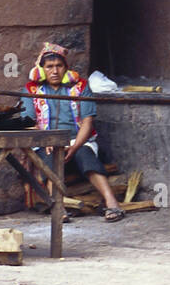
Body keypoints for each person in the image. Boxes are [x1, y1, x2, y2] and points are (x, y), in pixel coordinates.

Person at [20, 43, 125, 222]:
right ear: (42, 70)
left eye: (59, 66)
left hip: (78, 140)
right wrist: (46, 140)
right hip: (46, 142)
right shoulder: (31, 90)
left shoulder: (81, 87)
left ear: (66, 68)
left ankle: (112, 202)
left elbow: (87, 121)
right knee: (51, 162)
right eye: (49, 67)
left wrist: (75, 146)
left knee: (87, 157)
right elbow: (28, 122)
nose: (55, 71)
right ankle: (58, 208)